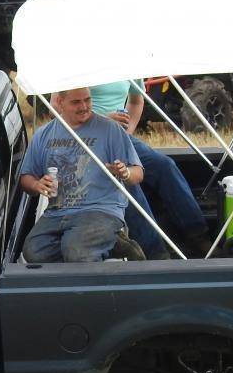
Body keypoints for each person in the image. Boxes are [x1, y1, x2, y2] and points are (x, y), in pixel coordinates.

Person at [89, 79, 211, 258]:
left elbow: (136, 102)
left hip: (119, 137)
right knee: (128, 183)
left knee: (165, 165)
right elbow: (58, 110)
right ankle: (156, 253)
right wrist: (103, 123)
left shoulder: (130, 61)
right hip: (87, 141)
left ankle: (199, 236)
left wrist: (126, 133)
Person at [19, 88, 143, 263]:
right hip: (56, 212)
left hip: (100, 209)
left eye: (87, 100)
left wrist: (125, 172)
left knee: (77, 252)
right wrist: (36, 185)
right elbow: (26, 178)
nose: (84, 106)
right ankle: (112, 242)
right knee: (34, 252)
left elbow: (138, 173)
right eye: (76, 102)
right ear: (59, 103)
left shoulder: (110, 129)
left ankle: (108, 241)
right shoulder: (43, 135)